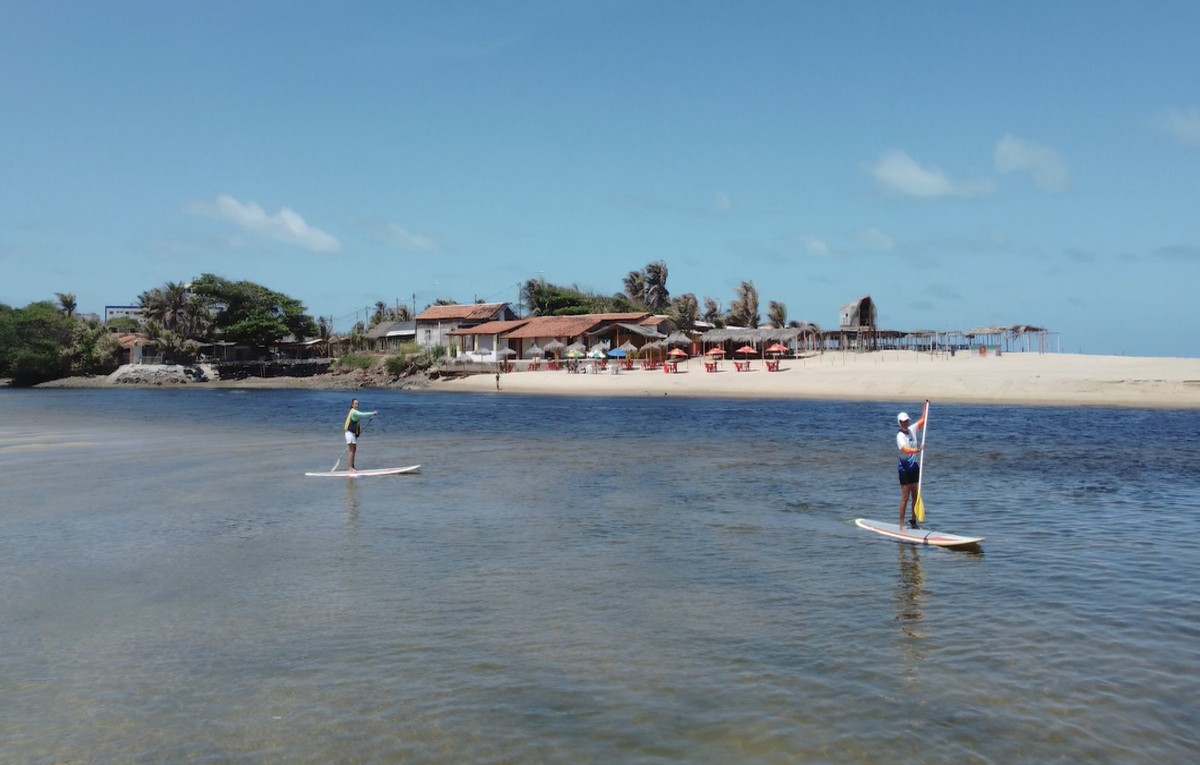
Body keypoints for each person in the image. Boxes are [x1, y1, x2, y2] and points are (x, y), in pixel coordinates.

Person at [896, 405, 927, 529]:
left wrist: (925, 405)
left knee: (915, 495)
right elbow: (905, 449)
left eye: (907, 421)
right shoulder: (900, 436)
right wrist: (918, 450)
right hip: (904, 469)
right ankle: (901, 524)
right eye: (903, 421)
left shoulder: (912, 429)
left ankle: (913, 521)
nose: (905, 423)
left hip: (914, 467)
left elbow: (923, 420)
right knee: (905, 496)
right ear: (899, 423)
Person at [343, 398, 377, 471]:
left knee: (354, 449)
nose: (357, 405)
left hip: (352, 434)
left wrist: (357, 433)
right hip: (349, 433)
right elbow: (363, 414)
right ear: (352, 405)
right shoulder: (354, 412)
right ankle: (350, 468)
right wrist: (372, 413)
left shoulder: (354, 411)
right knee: (352, 450)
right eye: (355, 404)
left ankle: (352, 466)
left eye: (357, 404)